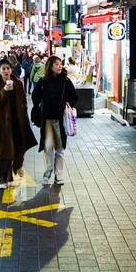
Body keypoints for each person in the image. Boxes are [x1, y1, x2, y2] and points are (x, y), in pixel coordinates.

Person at [31, 55, 79, 186]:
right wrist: (38, 108)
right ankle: (48, 171)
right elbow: (35, 97)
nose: (60, 66)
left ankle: (59, 175)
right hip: (47, 120)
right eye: (57, 64)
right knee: (48, 147)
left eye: (61, 64)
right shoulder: (43, 81)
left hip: (60, 120)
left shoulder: (65, 81)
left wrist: (68, 104)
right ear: (50, 66)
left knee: (60, 148)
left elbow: (74, 96)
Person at [0, 57, 37, 189]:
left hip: (18, 121)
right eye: (3, 69)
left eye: (8, 68)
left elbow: (23, 101)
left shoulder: (18, 83)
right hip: (3, 124)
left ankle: (14, 170)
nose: (6, 71)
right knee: (4, 151)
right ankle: (1, 179)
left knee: (18, 147)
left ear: (11, 70)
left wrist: (24, 114)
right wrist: (4, 90)